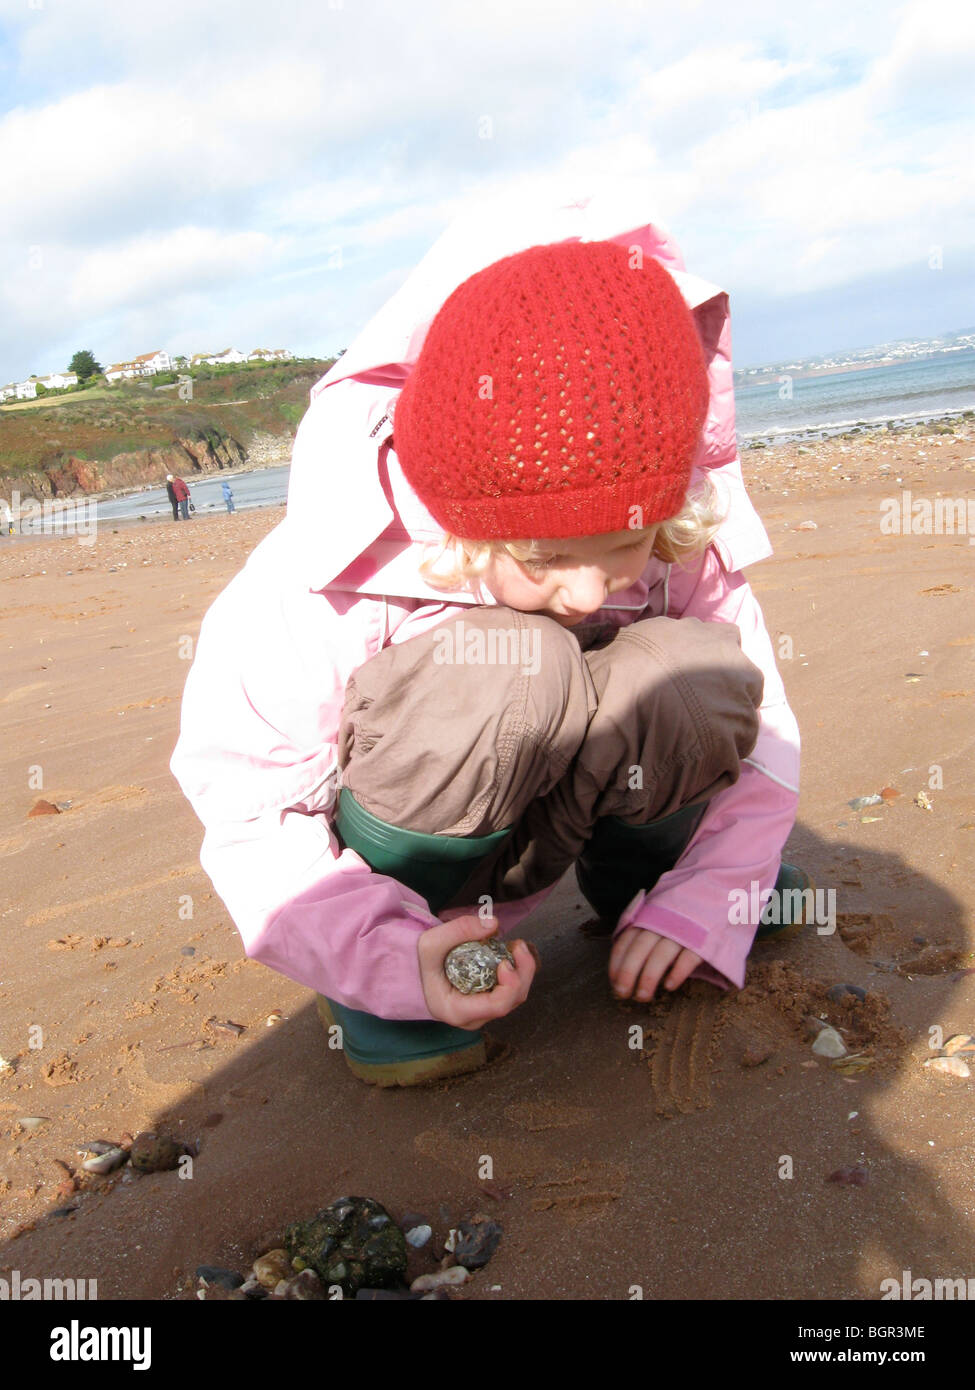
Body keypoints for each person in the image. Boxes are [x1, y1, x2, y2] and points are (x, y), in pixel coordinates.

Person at [170, 189, 802, 1089]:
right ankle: (415, 955)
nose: (588, 590)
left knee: (695, 672)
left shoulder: (674, 537)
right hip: (423, 839)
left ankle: (651, 873)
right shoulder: (326, 570)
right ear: (458, 526)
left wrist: (714, 889)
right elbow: (249, 801)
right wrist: (380, 953)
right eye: (545, 556)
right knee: (515, 658)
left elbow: (766, 735)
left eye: (624, 544)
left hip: (587, 797)